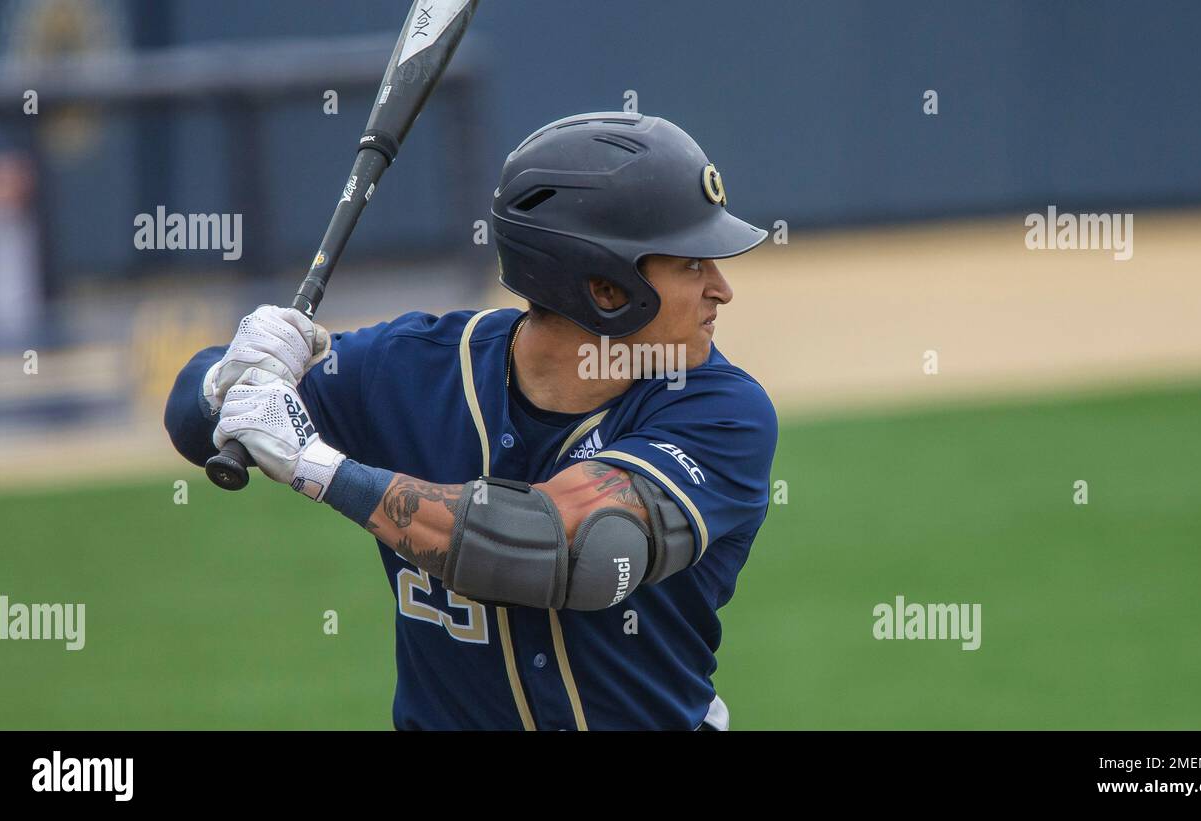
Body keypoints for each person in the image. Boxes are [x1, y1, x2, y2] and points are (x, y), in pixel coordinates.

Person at [164, 112, 777, 730]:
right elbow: (194, 424)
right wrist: (234, 378)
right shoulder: (411, 369)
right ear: (606, 287)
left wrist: (319, 469)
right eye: (693, 264)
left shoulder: (720, 413)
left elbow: (567, 548)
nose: (722, 289)